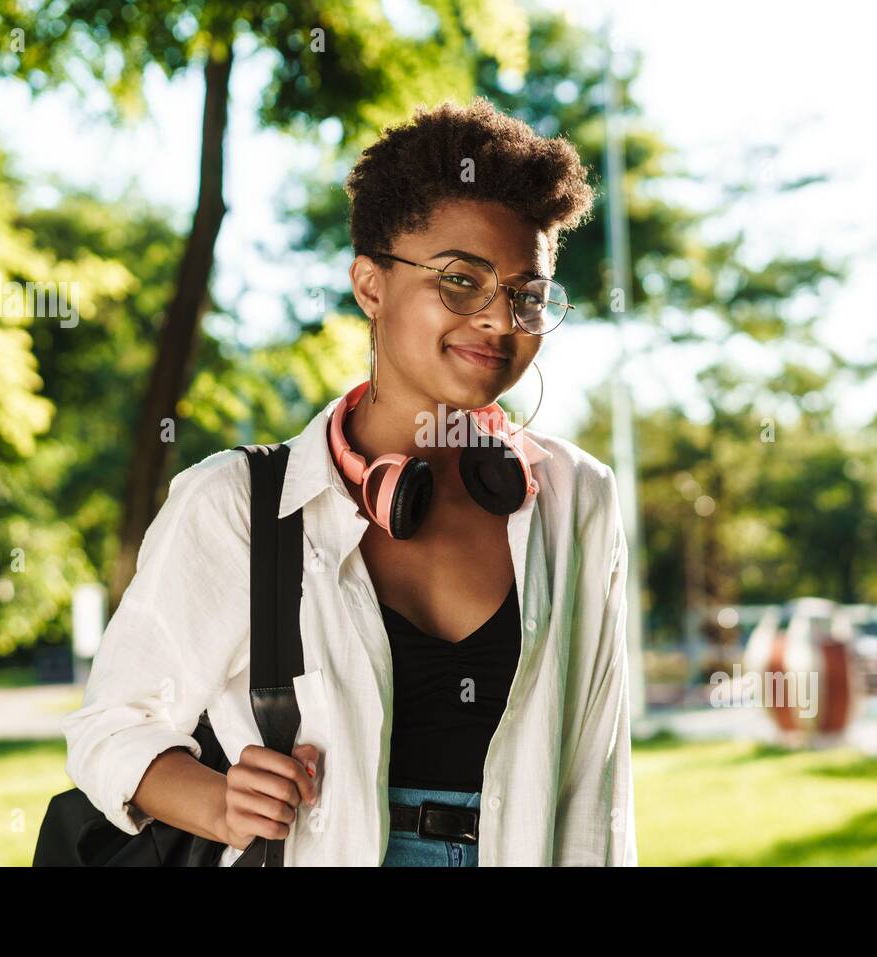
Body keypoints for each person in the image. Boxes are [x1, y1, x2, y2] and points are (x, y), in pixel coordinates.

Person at [61, 97, 637, 866]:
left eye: (526, 295)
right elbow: (110, 727)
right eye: (461, 280)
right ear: (371, 285)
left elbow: (595, 787)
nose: (500, 321)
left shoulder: (577, 502)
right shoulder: (240, 504)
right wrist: (217, 800)